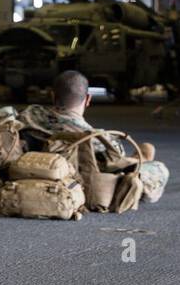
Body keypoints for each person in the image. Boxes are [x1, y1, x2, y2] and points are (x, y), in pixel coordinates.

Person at [20, 70, 168, 203]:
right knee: (154, 162)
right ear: (88, 99)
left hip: (33, 168)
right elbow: (117, 162)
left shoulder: (29, 114)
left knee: (145, 150)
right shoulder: (97, 137)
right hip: (81, 182)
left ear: (53, 96)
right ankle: (141, 162)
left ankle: (140, 157)